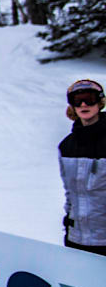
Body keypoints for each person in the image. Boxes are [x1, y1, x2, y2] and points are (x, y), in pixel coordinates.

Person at [59, 79, 106, 256]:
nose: (84, 104)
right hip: (77, 239)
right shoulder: (66, 147)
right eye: (78, 100)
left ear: (100, 102)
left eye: (89, 99)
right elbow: (70, 194)